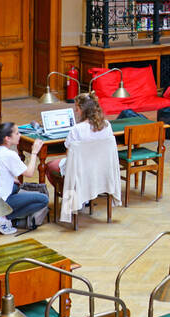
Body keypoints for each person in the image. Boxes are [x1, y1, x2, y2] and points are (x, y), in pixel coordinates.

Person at [46, 93, 123, 223]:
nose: (76, 111)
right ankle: (83, 198)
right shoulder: (107, 125)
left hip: (80, 171)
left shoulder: (77, 129)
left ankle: (74, 198)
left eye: (77, 108)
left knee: (49, 166)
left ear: (83, 109)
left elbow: (69, 156)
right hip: (101, 169)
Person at [0, 122, 45, 235]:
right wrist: (34, 152)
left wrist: (11, 179)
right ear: (7, 138)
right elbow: (29, 173)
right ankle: (2, 217)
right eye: (17, 133)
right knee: (43, 199)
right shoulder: (9, 155)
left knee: (16, 185)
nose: (20, 135)